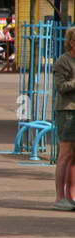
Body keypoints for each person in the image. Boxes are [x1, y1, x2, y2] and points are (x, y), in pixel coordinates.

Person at [51, 27, 75, 210]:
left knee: (74, 158)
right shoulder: (63, 61)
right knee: (65, 155)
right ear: (72, 43)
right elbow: (61, 86)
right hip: (67, 112)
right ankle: (59, 197)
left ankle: (71, 195)